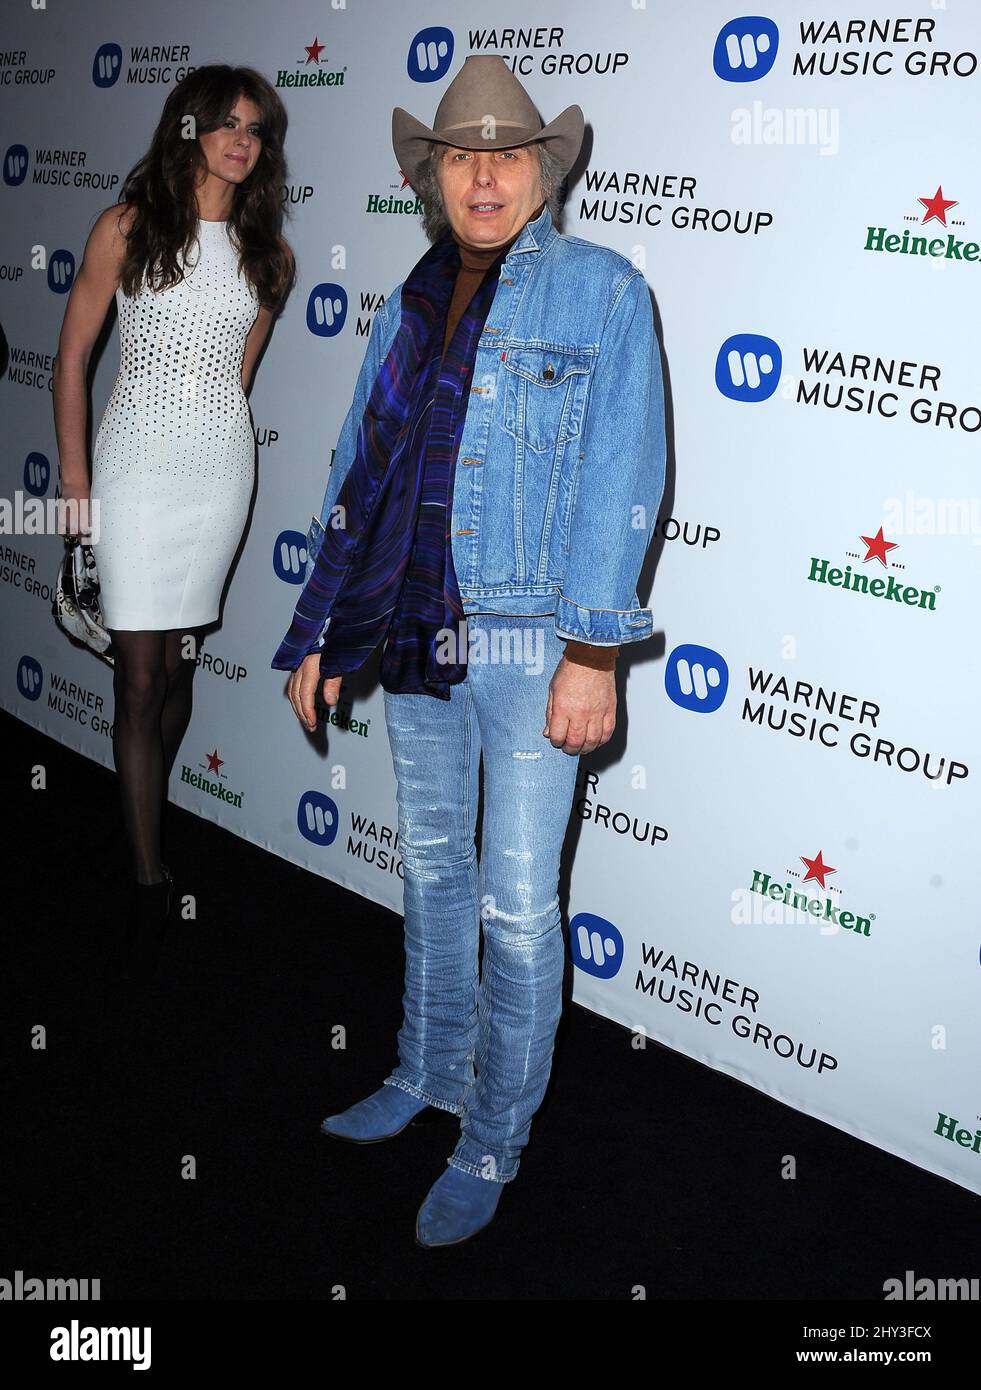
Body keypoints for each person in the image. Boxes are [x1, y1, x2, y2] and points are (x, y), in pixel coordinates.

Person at [272, 55, 666, 1245]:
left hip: (531, 641)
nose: (483, 173)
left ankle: (494, 1133)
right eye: (460, 153)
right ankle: (425, 1073)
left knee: (515, 908)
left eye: (507, 153)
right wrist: (323, 632)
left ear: (543, 174)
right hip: (412, 633)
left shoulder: (601, 291)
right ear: (431, 174)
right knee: (432, 872)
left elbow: (623, 478)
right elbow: (359, 467)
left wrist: (592, 655)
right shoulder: (408, 298)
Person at [53, 66, 295, 969]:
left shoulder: (266, 251)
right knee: (140, 678)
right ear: (188, 128)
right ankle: (148, 879)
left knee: (183, 661)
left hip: (219, 471)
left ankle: (143, 806)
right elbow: (73, 356)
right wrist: (76, 481)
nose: (241, 140)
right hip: (135, 468)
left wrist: (215, 449)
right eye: (227, 123)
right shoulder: (127, 227)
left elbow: (238, 378)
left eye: (257, 130)